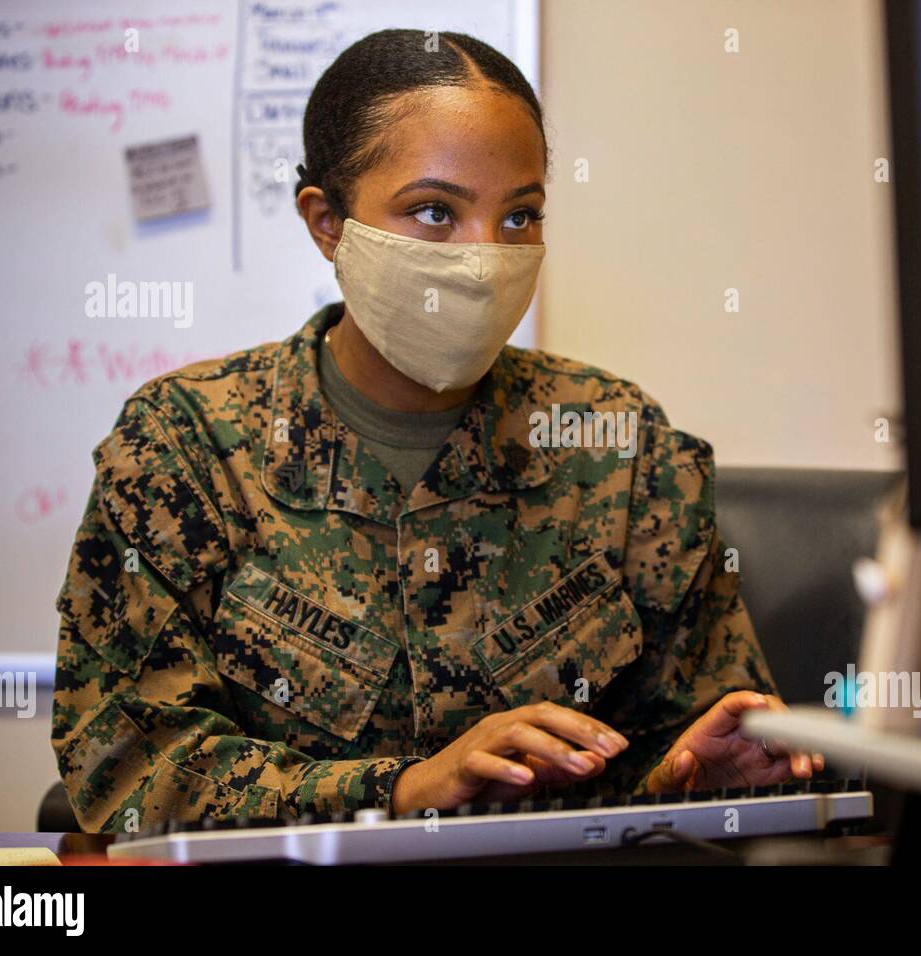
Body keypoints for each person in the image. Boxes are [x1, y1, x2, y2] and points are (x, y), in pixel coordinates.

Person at [51, 29, 820, 832]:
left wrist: (701, 776)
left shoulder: (621, 448)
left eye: (519, 216)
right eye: (434, 212)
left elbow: (700, 742)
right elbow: (129, 765)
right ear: (327, 223)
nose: (486, 257)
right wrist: (403, 791)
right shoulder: (183, 446)